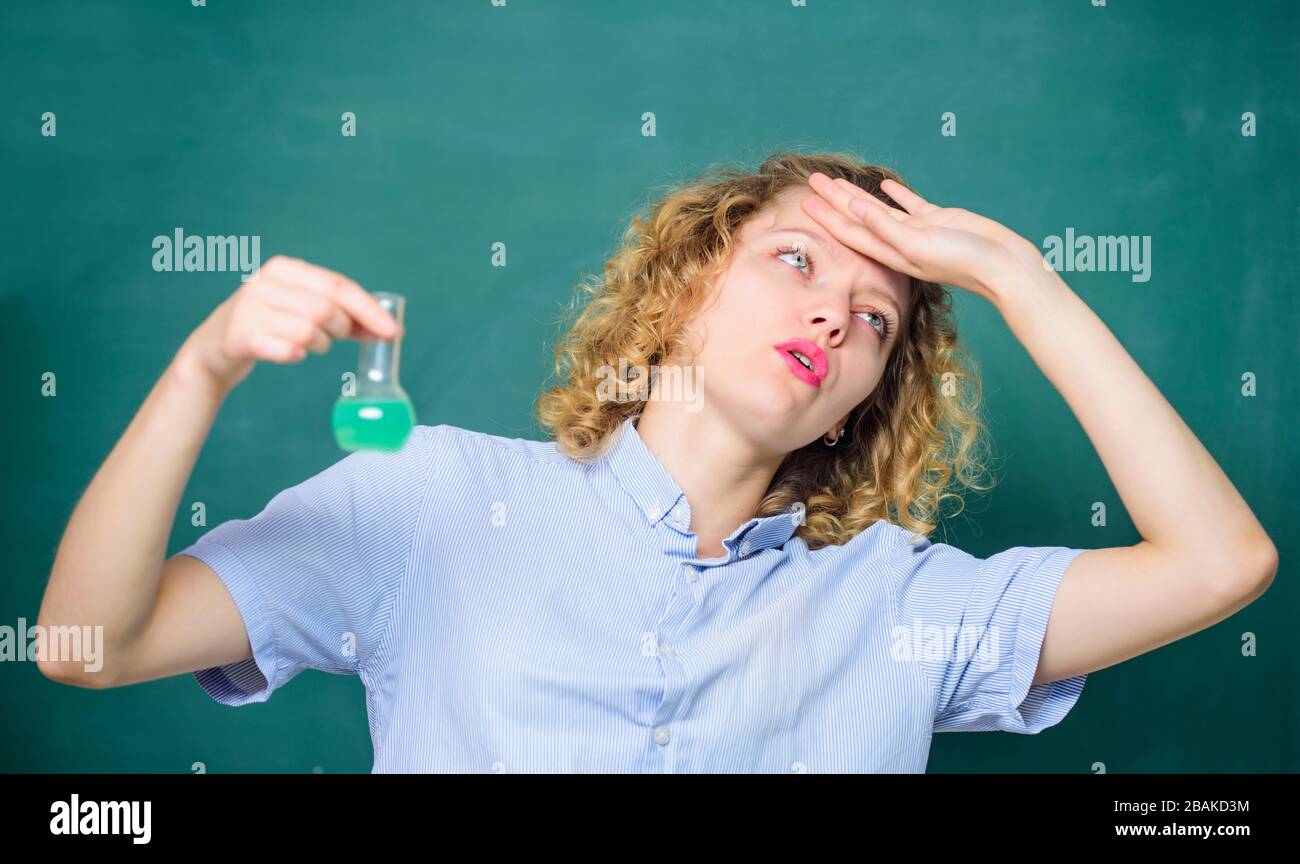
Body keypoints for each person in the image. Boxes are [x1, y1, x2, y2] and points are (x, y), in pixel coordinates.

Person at [37, 151, 1278, 772]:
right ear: (682, 292)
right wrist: (201, 371)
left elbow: (1223, 564)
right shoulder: (427, 500)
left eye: (879, 317)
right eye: (797, 262)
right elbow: (86, 649)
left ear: (855, 406)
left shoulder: (907, 602)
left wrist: (1017, 275)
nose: (838, 314)